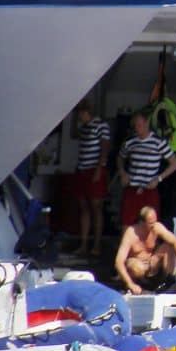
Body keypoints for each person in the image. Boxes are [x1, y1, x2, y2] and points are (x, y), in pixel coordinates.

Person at [117, 111, 176, 227]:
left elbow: (174, 163)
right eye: (135, 125)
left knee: (151, 226)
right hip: (132, 188)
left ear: (146, 123)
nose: (137, 128)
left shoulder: (158, 142)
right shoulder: (130, 141)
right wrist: (122, 172)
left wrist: (158, 179)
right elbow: (120, 158)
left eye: (139, 125)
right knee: (127, 223)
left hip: (149, 189)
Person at [114, 205, 176, 295]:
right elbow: (118, 262)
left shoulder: (157, 227)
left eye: (154, 221)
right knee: (136, 266)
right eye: (150, 223)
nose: (153, 225)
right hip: (137, 268)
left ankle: (168, 281)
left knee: (168, 247)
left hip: (152, 265)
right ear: (142, 222)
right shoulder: (131, 233)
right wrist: (129, 283)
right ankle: (136, 285)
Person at [69, 100, 110, 258]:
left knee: (96, 207)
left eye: (80, 113)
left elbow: (105, 147)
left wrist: (99, 169)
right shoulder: (85, 127)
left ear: (87, 112)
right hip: (82, 169)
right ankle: (84, 244)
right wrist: (73, 117)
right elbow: (73, 134)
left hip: (95, 170)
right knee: (84, 207)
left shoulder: (102, 126)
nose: (80, 116)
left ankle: (96, 244)